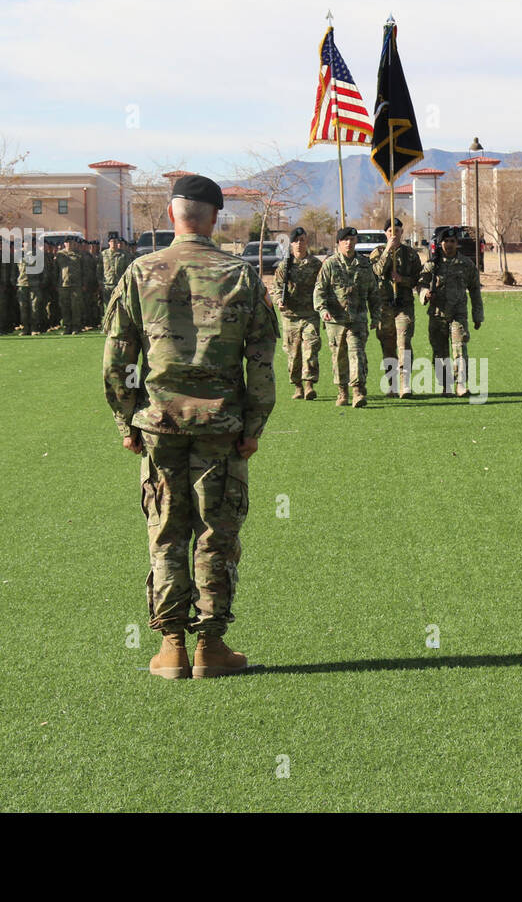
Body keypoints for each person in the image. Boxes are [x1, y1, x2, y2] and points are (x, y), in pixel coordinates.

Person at [103, 174, 278, 680]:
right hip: (222, 425)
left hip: (158, 424)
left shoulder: (140, 272)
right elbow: (261, 360)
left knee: (166, 529)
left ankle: (173, 646)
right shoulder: (240, 275)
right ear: (215, 217)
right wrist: (254, 424)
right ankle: (211, 646)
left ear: (172, 213)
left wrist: (126, 419)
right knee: (215, 532)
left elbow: (118, 360)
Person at [313, 226, 380, 407]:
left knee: (357, 353)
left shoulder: (365, 265)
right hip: (335, 320)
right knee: (339, 356)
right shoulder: (330, 264)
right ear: (339, 243)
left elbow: (374, 292)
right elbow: (320, 290)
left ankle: (358, 391)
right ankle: (342, 391)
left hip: (358, 319)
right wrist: (322, 309)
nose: (349, 243)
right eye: (345, 240)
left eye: (352, 240)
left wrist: (376, 315)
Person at [418, 232, 484, 397]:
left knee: (460, 348)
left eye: (452, 241)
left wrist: (478, 316)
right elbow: (421, 284)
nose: (449, 244)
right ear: (440, 244)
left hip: (458, 313)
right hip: (437, 314)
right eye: (445, 241)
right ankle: (445, 385)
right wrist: (425, 294)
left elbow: (475, 290)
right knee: (439, 352)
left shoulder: (466, 264)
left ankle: (460, 384)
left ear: (457, 243)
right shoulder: (432, 265)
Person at [370, 217, 422, 397]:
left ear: (402, 232)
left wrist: (402, 280)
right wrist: (387, 251)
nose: (394, 234)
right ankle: (391, 384)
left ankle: (405, 384)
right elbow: (376, 272)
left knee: (404, 343)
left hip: (404, 305)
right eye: (391, 231)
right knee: (388, 345)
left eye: (397, 231)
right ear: (386, 233)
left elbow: (418, 279)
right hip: (384, 306)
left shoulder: (411, 254)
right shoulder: (377, 252)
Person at [272, 226, 323, 399]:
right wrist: (279, 300)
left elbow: (322, 287)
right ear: (291, 244)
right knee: (293, 354)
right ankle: (298, 386)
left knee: (310, 350)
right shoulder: (284, 266)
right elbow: (277, 288)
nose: (299, 244)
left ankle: (309, 385)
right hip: (290, 316)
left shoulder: (316, 265)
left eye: (302, 240)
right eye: (295, 241)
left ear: (307, 242)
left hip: (310, 314)